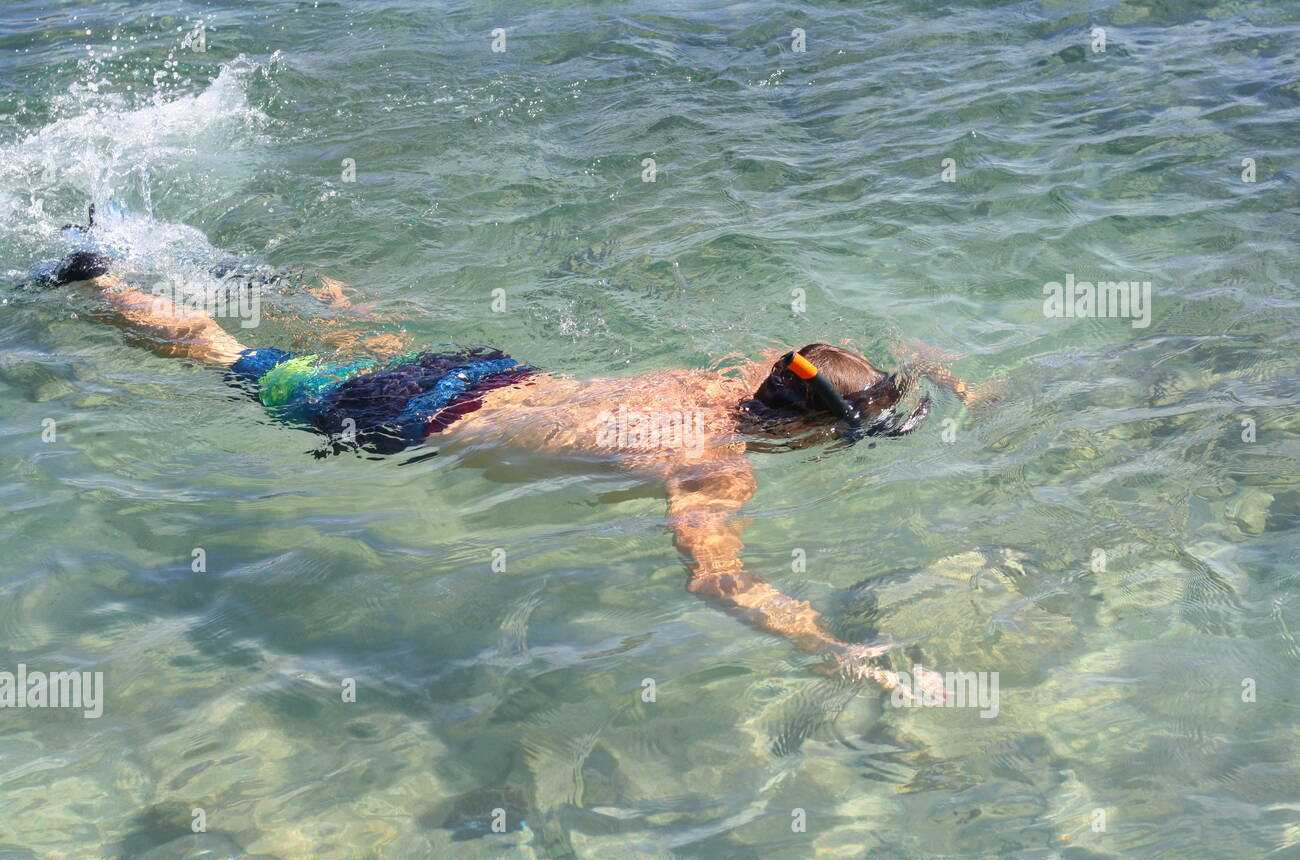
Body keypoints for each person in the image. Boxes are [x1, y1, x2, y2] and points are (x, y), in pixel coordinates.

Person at [32, 230, 988, 700]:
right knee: (222, 356)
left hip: (484, 371)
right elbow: (717, 580)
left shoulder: (730, 382)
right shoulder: (713, 463)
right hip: (411, 422)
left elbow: (826, 359)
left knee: (363, 334)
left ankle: (303, 288)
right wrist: (836, 649)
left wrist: (940, 377)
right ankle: (102, 284)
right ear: (815, 434)